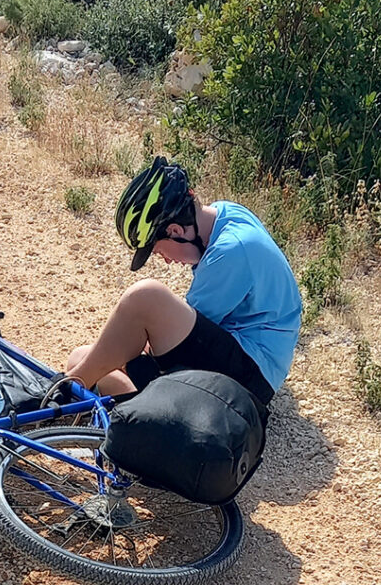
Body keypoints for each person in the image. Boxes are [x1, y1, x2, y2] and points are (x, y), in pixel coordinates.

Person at [65, 156, 302, 419]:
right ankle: (135, 409)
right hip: (244, 360)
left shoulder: (231, 252)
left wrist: (123, 353)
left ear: (176, 230)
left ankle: (60, 395)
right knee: (83, 358)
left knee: (146, 299)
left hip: (253, 380)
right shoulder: (225, 213)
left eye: (157, 249)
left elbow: (162, 344)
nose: (166, 259)